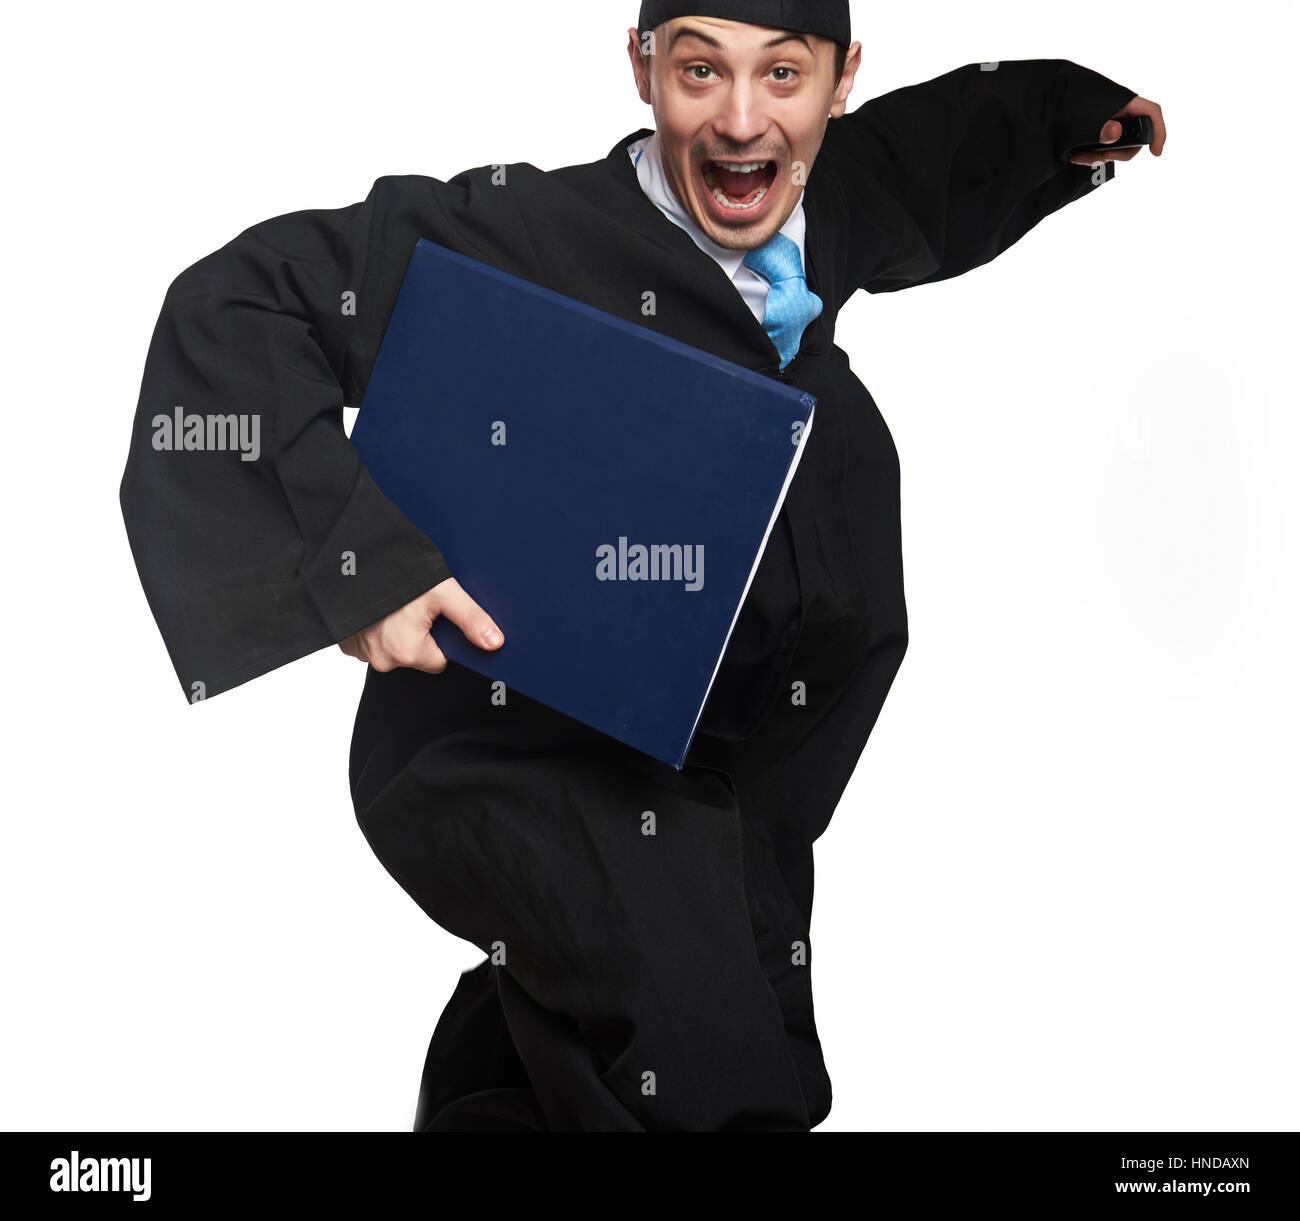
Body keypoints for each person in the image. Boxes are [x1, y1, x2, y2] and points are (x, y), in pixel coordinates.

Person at [119, 0, 1166, 1131]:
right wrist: (356, 559)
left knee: (698, 1016)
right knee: (714, 1065)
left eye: (784, 75)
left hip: (728, 770)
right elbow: (240, 303)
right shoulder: (525, 230)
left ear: (840, 78)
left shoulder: (830, 200)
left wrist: (1068, 118)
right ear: (641, 68)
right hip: (522, 751)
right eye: (699, 71)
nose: (739, 119)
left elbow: (933, 147)